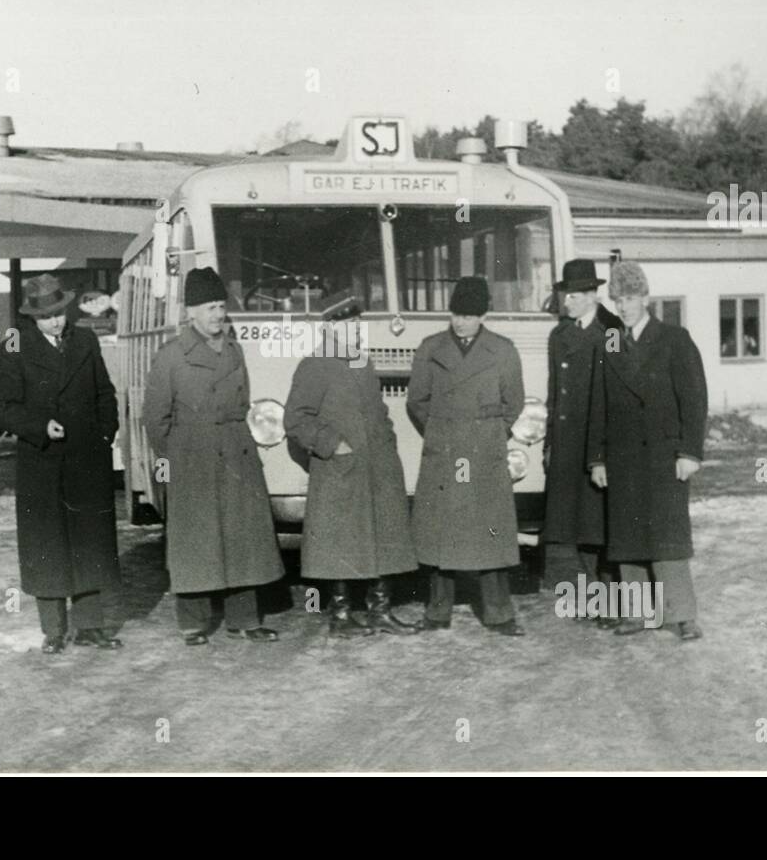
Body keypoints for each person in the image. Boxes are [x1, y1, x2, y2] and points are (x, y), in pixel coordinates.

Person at [141, 266, 285, 646]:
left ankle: (245, 619)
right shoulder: (171, 356)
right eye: (208, 307)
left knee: (243, 538)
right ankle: (193, 623)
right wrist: (178, 456)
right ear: (190, 312)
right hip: (193, 458)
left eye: (221, 305)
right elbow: (156, 418)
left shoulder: (234, 349)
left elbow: (242, 401)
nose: (218, 314)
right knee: (195, 541)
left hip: (237, 454)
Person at [0, 273, 122, 655]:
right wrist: (40, 427)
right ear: (32, 318)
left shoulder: (85, 339)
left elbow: (105, 393)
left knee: (89, 543)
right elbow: (1, 407)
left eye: (59, 313)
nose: (56, 322)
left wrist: (104, 433)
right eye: (46, 317)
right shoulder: (14, 348)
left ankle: (91, 626)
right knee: (47, 547)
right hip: (42, 464)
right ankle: (53, 629)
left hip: (86, 460)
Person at [284, 297, 419, 639]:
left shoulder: (362, 361)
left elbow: (378, 412)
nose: (354, 331)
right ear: (329, 327)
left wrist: (388, 444)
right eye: (346, 325)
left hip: (378, 467)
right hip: (340, 470)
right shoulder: (314, 365)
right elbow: (296, 419)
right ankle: (340, 616)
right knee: (339, 542)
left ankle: (380, 611)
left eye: (357, 325)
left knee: (382, 537)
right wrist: (333, 446)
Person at [588, 261, 708, 641]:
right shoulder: (610, 342)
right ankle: (638, 614)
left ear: (646, 298)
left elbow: (694, 400)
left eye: (630, 298)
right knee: (629, 538)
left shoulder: (675, 338)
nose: (623, 307)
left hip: (664, 457)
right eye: (618, 300)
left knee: (669, 539)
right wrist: (597, 457)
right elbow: (599, 404)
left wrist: (690, 452)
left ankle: (683, 615)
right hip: (623, 458)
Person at [407, 276, 526, 637]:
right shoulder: (430, 347)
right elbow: (416, 401)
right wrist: (443, 432)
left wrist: (488, 434)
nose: (461, 322)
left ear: (483, 315)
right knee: (441, 535)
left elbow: (514, 402)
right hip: (444, 452)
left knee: (490, 534)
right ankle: (437, 612)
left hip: (484, 451)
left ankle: (499, 614)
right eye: (457, 314)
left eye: (470, 315)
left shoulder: (503, 349)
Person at [542, 258, 623, 626]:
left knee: (599, 527)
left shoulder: (611, 331)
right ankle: (591, 598)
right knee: (573, 528)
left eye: (574, 295)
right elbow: (553, 395)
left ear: (593, 295)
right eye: (565, 294)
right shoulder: (560, 335)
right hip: (566, 443)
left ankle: (610, 603)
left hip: (598, 444)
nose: (567, 301)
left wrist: (602, 452)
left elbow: (618, 395)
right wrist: (549, 444)